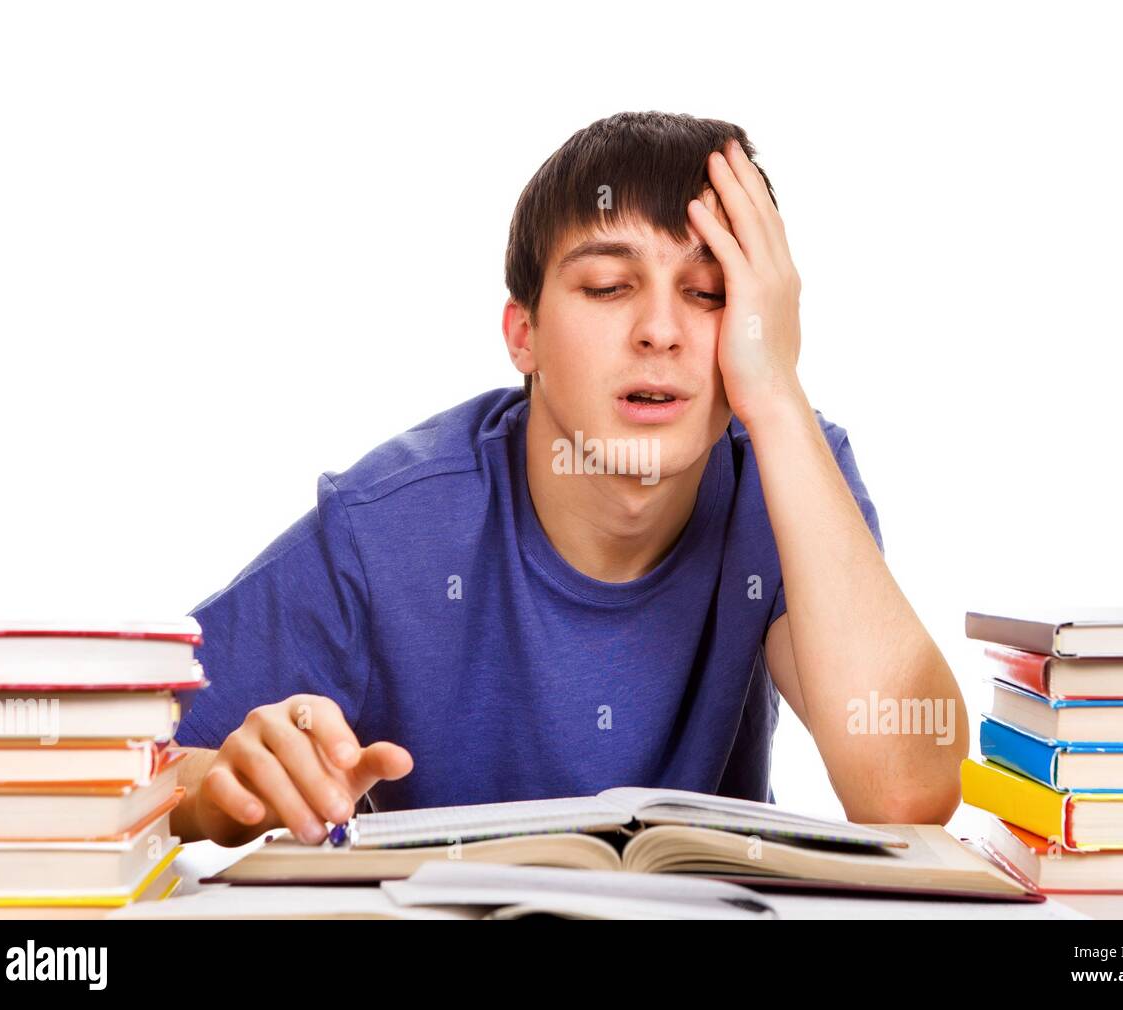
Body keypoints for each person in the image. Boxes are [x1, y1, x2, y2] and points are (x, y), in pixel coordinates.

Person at [170, 111, 967, 847]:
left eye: (709, 293)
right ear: (524, 333)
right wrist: (217, 790)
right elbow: (117, 763)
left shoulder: (789, 475)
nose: (660, 330)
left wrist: (777, 394)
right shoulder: (388, 525)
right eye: (609, 287)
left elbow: (905, 792)